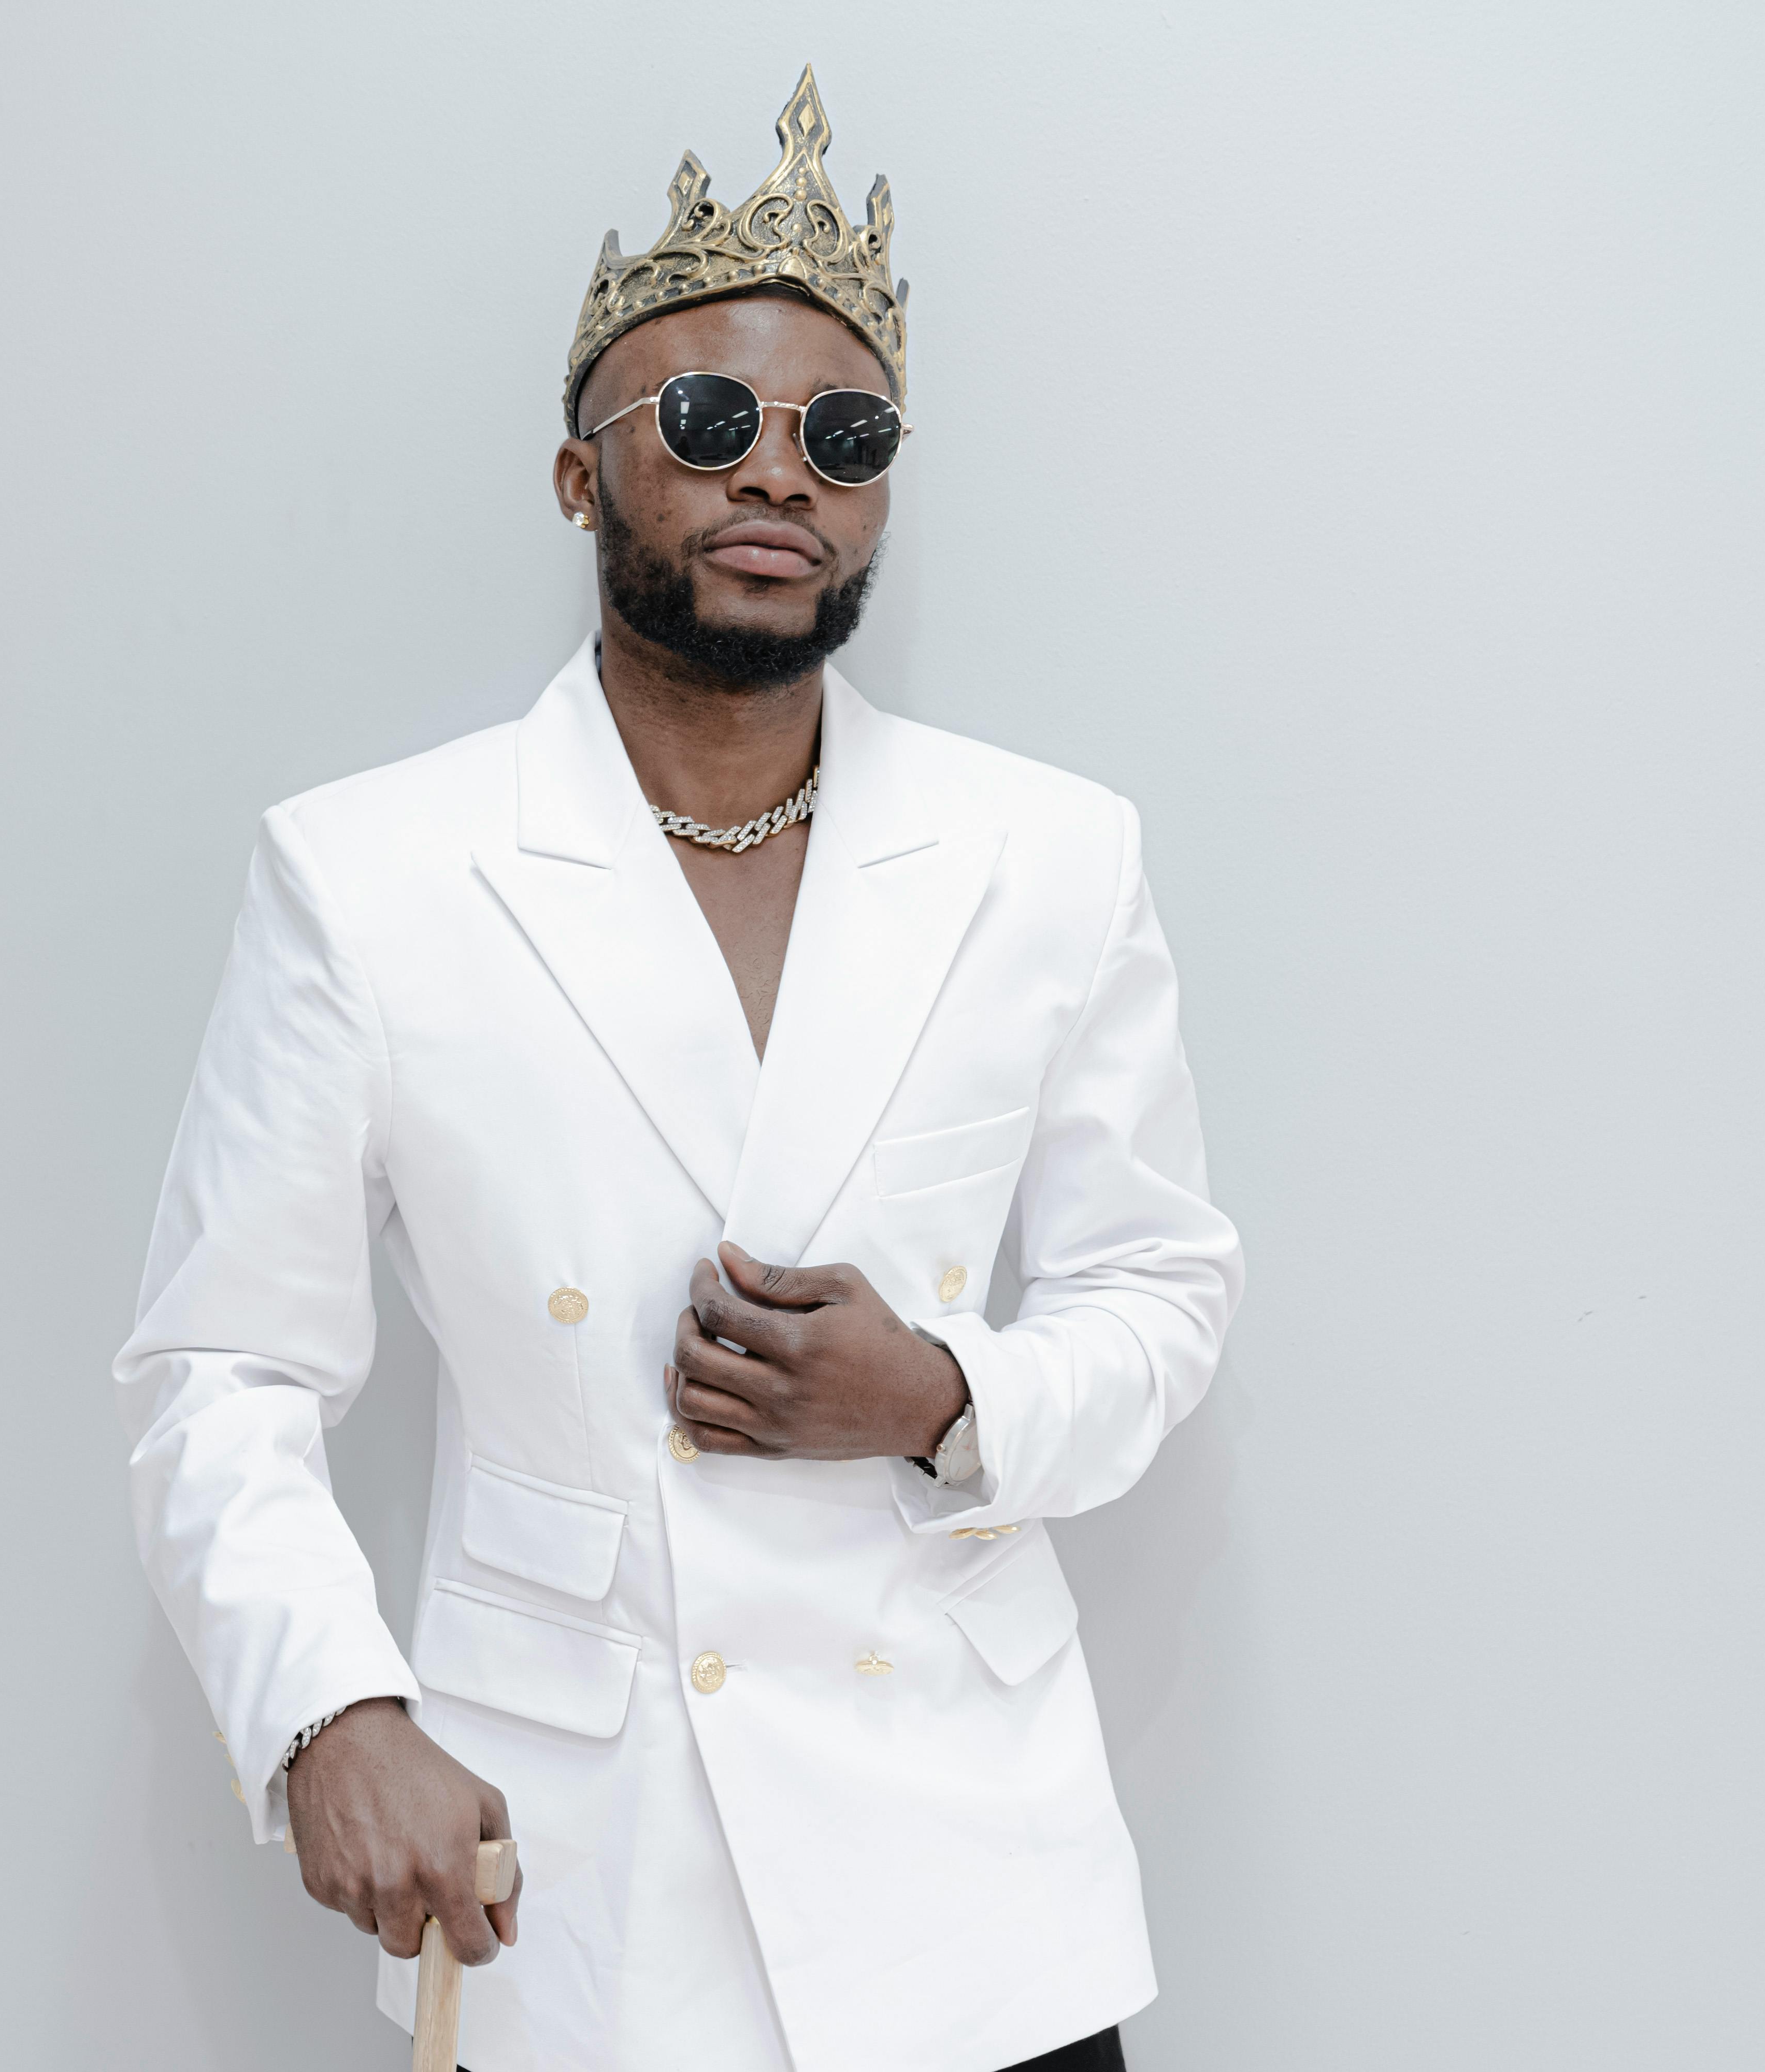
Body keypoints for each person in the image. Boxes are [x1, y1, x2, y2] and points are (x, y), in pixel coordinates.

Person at [115, 68, 1242, 2072]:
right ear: (580, 477)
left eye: (848, 435)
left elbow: (1164, 1297)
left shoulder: (1051, 858)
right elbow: (223, 1373)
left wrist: (948, 1395)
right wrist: (327, 1712)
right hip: (584, 1878)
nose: (780, 476)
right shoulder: (372, 875)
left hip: (978, 1887)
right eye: (713, 421)